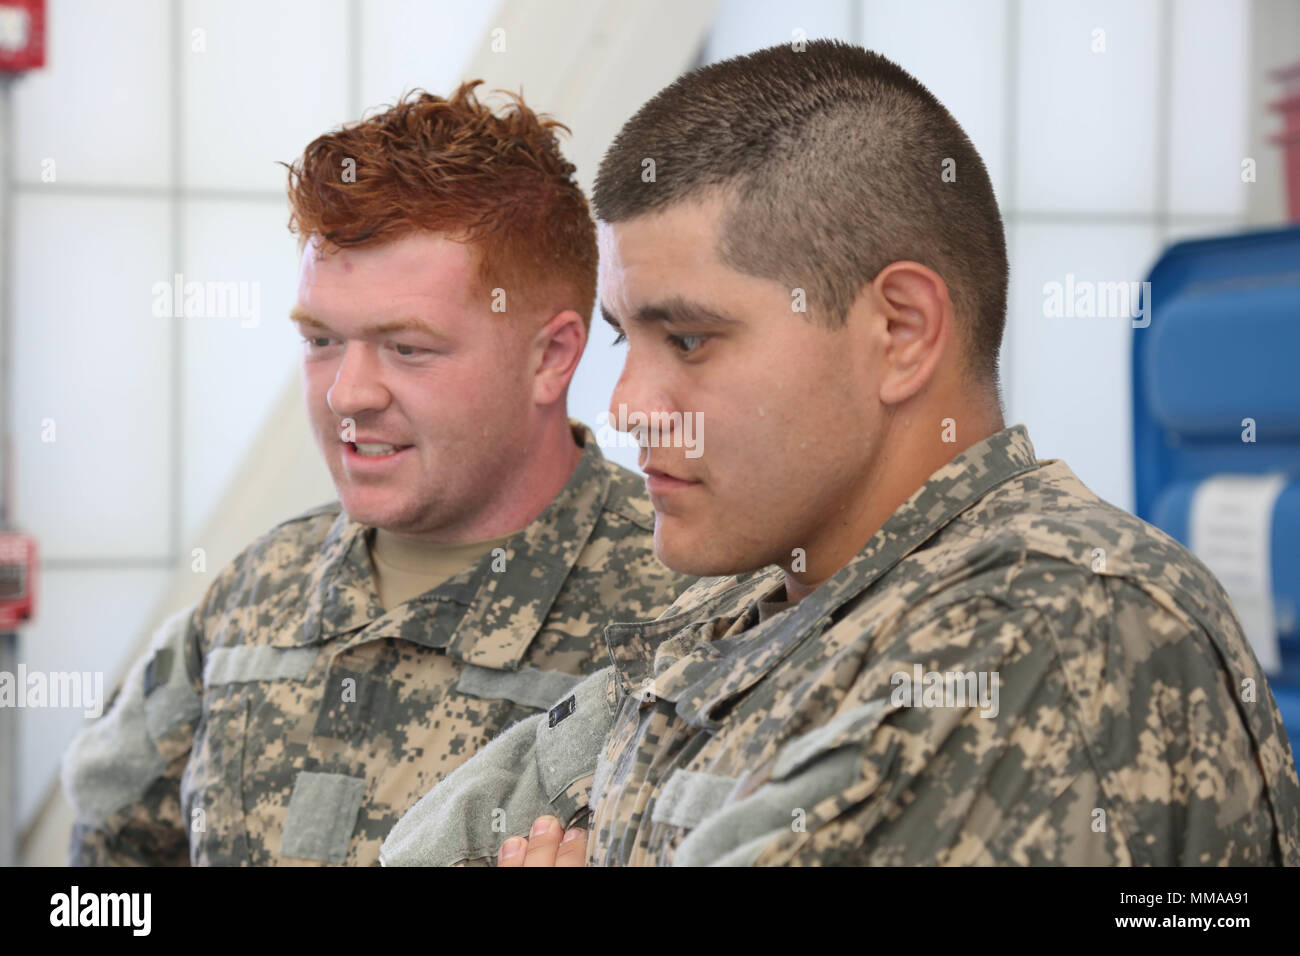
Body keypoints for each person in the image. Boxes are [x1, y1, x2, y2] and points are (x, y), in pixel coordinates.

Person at [381, 42, 1300, 866]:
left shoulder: (1051, 627)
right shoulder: (748, 599)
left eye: (691, 340)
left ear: (900, 331)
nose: (628, 409)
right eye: (628, 341)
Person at [62, 83, 691, 866]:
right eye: (321, 340)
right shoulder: (250, 600)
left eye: (408, 348)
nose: (347, 394)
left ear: (551, 357)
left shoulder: (681, 627)